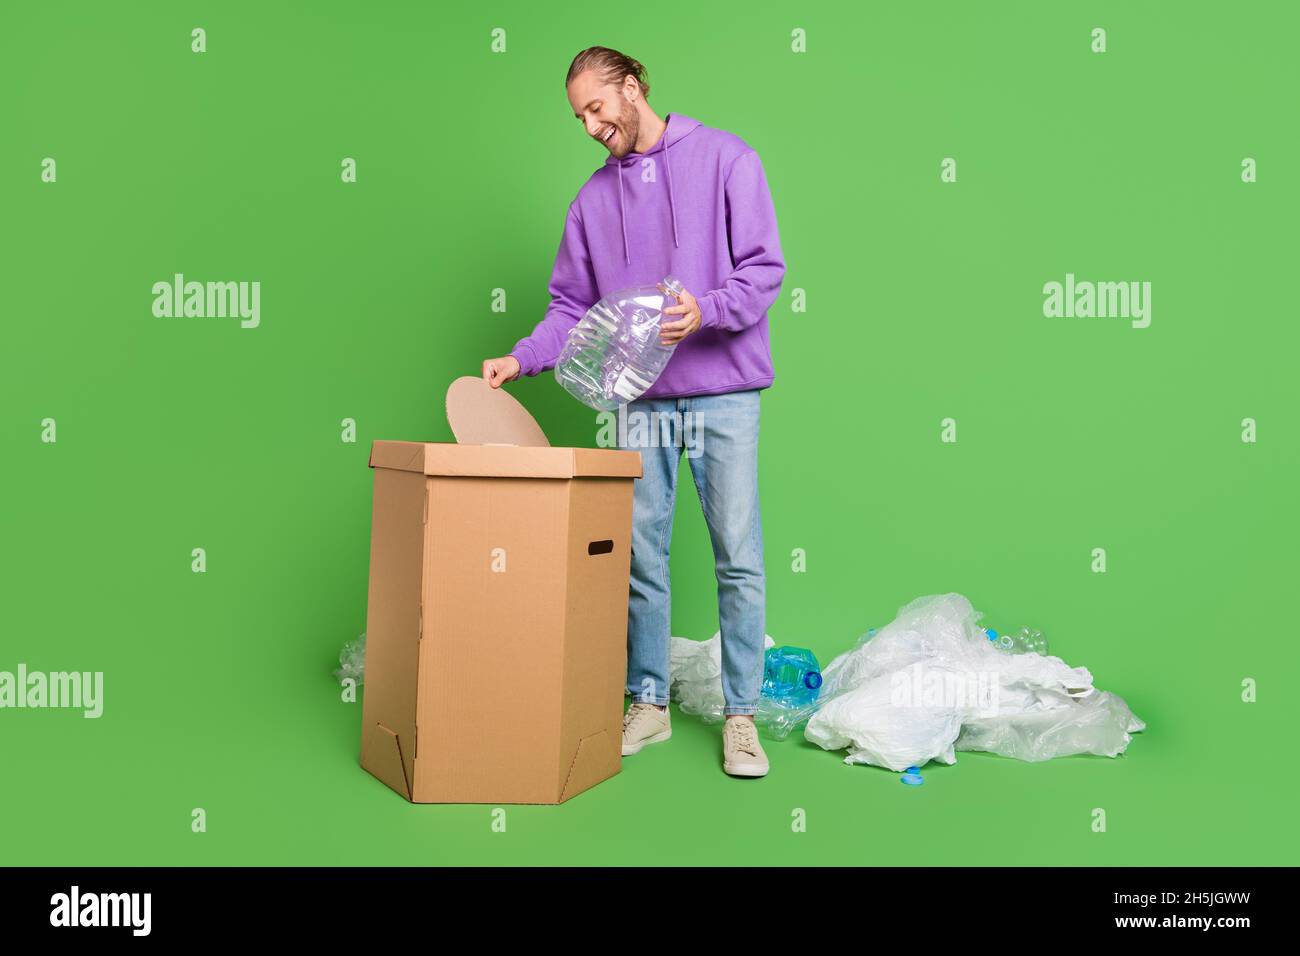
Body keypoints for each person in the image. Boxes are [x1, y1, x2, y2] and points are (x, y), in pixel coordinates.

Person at [481, 46, 785, 777]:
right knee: (639, 556)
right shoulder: (591, 202)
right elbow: (569, 308)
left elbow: (764, 268)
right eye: (579, 116)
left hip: (724, 394)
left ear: (635, 87)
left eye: (597, 107)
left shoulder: (727, 160)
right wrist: (521, 357)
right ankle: (647, 704)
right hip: (640, 404)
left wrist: (706, 310)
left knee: (737, 557)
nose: (590, 126)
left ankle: (741, 716)